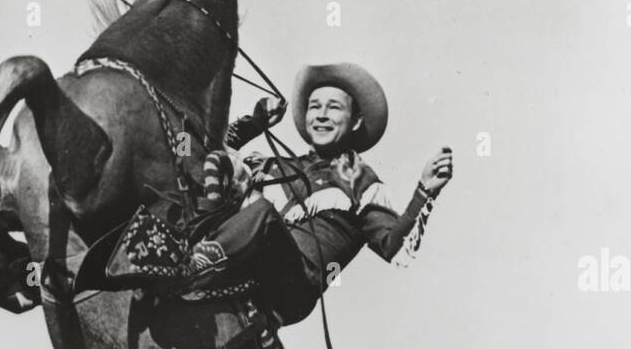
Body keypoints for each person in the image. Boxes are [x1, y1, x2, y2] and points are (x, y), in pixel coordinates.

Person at [105, 62, 453, 325]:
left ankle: (187, 268)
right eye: (315, 107)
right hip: (248, 265)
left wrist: (424, 192)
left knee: (262, 213)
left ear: (356, 121)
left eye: (333, 107)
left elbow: (395, 246)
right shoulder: (280, 165)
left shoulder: (360, 180)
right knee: (206, 160)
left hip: (293, 286)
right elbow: (213, 151)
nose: (320, 115)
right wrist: (255, 123)